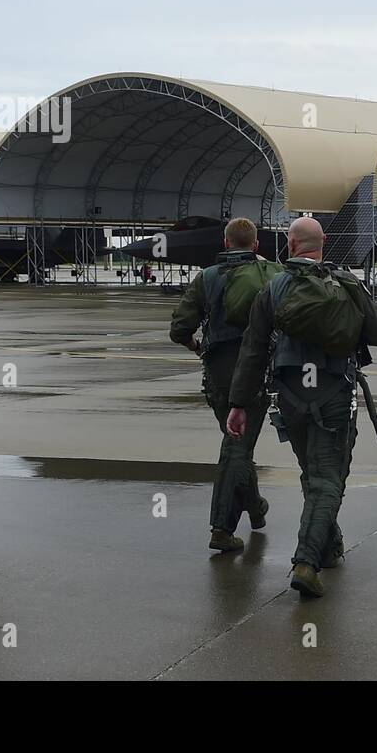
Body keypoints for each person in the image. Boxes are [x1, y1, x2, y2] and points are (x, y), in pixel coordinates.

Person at [225, 216, 377, 598]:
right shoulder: (346, 282)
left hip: (291, 396)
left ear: (290, 245)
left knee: (312, 474)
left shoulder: (273, 288)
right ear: (324, 243)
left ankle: (328, 547)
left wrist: (239, 404)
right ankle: (306, 561)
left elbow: (252, 351)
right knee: (328, 477)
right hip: (333, 392)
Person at [169, 217, 275, 552]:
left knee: (238, 446)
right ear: (256, 246)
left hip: (217, 374)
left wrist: (197, 348)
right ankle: (221, 528)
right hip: (256, 372)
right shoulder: (270, 275)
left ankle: (255, 508)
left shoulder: (207, 278)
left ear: (226, 243)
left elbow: (179, 329)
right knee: (238, 448)